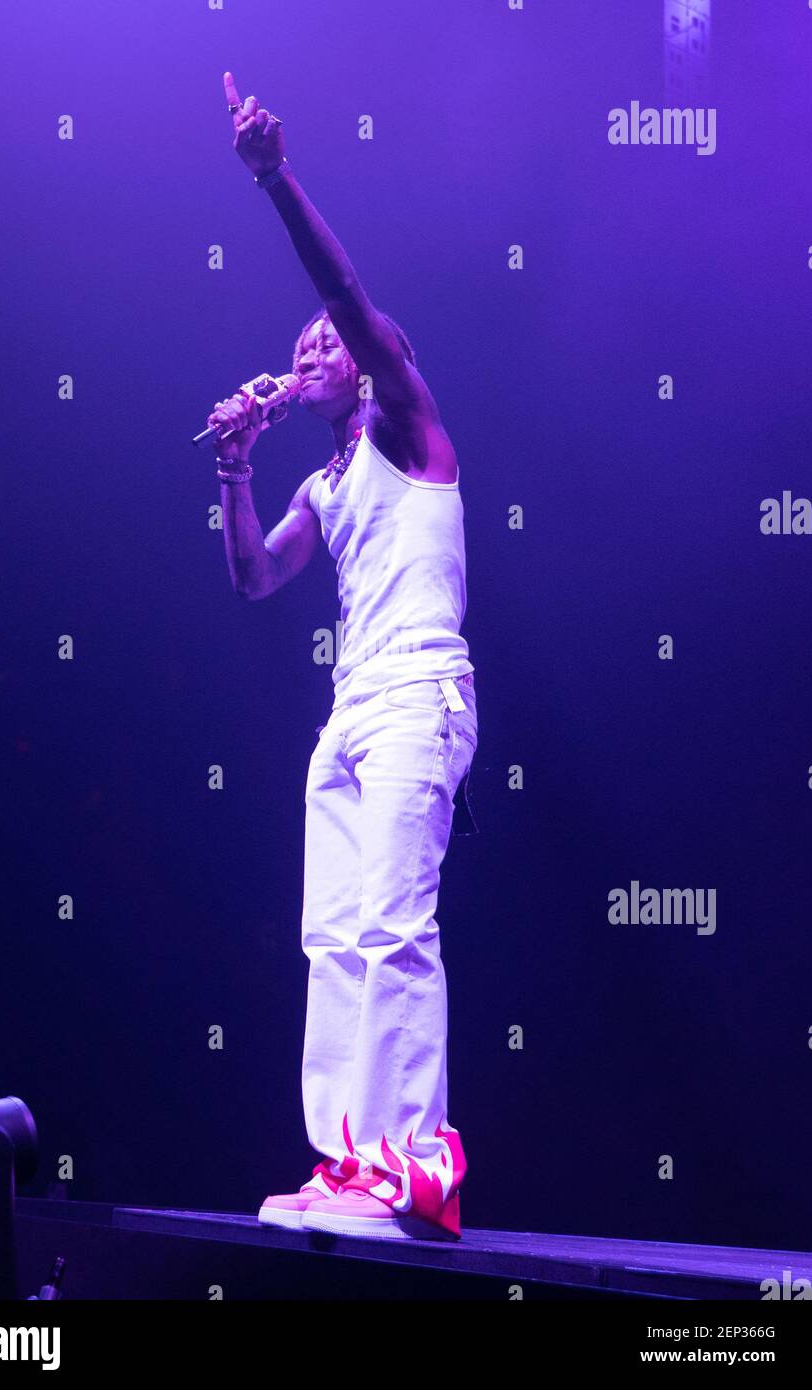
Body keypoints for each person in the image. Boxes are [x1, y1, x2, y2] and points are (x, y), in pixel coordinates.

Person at [210, 72, 478, 1242]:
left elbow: (346, 287)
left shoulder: (408, 424)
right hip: (349, 707)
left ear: (367, 361)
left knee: (392, 929)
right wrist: (231, 468)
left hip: (420, 687)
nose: (311, 349)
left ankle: (411, 1172)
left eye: (328, 345)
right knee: (332, 936)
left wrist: (274, 179)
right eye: (301, 347)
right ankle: (343, 1162)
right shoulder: (324, 479)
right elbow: (258, 578)